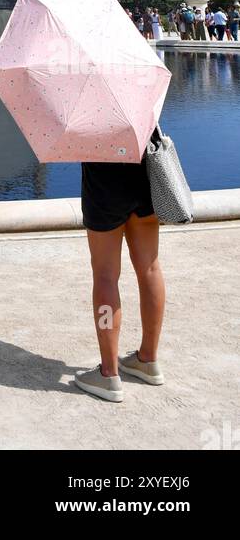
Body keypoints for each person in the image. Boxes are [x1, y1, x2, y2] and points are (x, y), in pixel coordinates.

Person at [75, 135, 165, 403]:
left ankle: (108, 373)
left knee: (105, 276)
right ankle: (147, 359)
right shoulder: (144, 89)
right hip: (146, 168)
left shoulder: (88, 93)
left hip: (103, 177)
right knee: (150, 268)